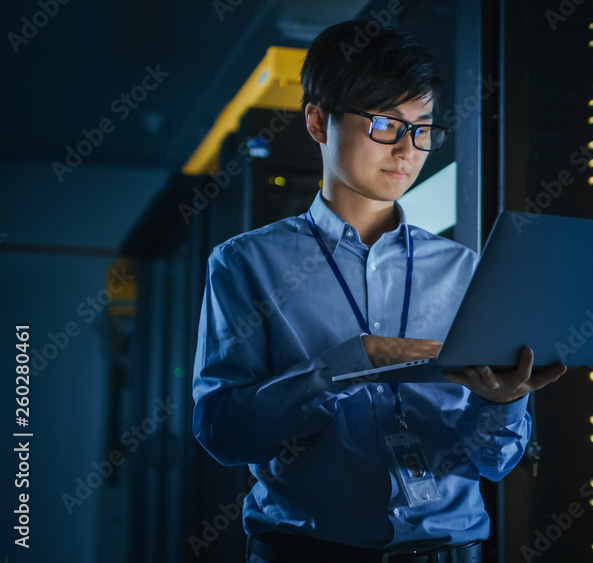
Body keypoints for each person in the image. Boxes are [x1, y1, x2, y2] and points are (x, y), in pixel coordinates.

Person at [191, 20, 566, 563]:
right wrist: (350, 362)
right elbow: (222, 432)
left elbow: (495, 463)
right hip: (308, 552)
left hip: (452, 552)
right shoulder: (247, 262)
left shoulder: (466, 271)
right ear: (319, 121)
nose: (408, 150)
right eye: (386, 124)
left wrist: (503, 404)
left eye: (422, 129)